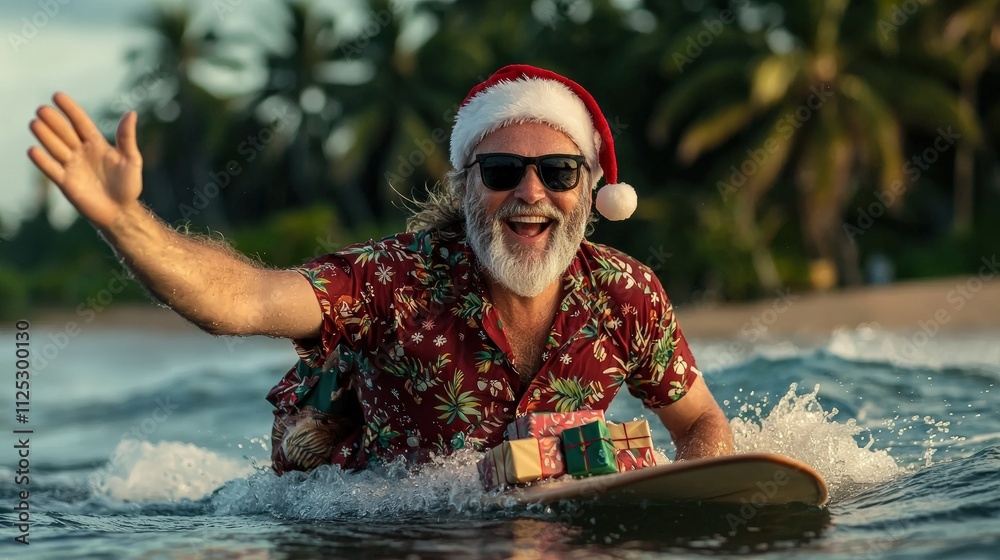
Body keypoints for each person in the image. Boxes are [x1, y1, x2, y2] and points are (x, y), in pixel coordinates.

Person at [27, 64, 734, 476]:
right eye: (500, 171)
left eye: (556, 171)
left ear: (590, 190)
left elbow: (700, 419)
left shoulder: (627, 294)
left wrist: (690, 493)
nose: (530, 193)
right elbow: (242, 300)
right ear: (465, 186)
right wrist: (124, 221)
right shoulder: (392, 282)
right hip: (376, 524)